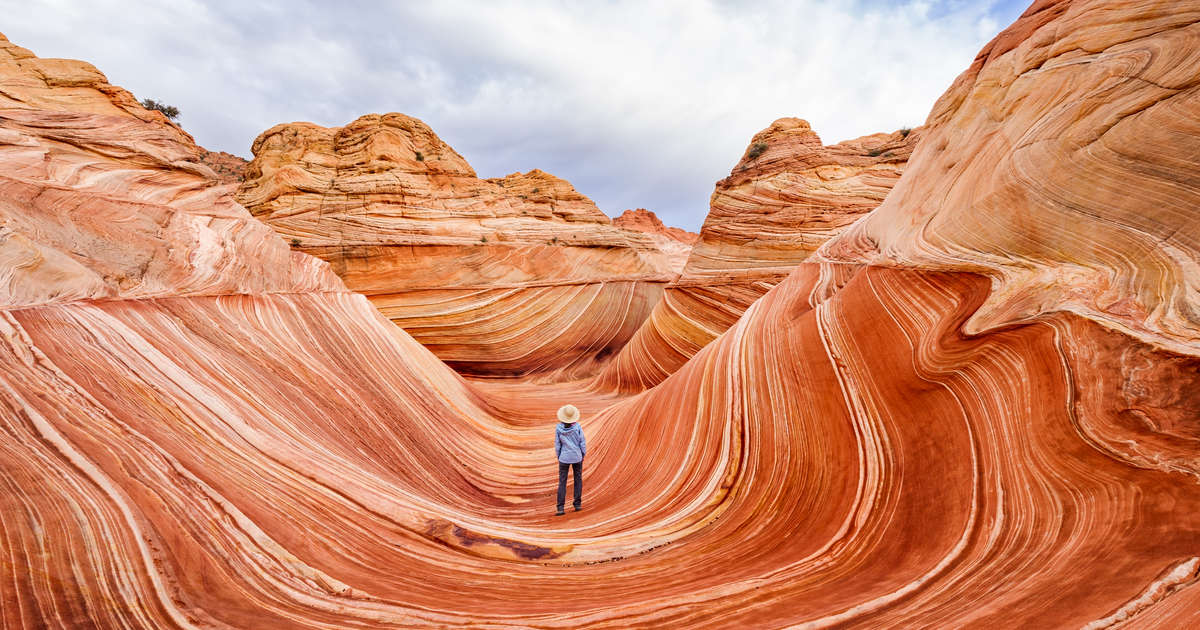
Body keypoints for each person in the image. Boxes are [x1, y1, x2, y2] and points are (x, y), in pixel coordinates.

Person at [554, 404, 586, 516]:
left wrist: (559, 456)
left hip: (564, 457)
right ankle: (577, 504)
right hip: (577, 456)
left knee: (562, 481)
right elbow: (582, 442)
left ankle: (560, 508)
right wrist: (583, 454)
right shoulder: (577, 427)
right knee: (578, 479)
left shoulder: (558, 428)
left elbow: (557, 445)